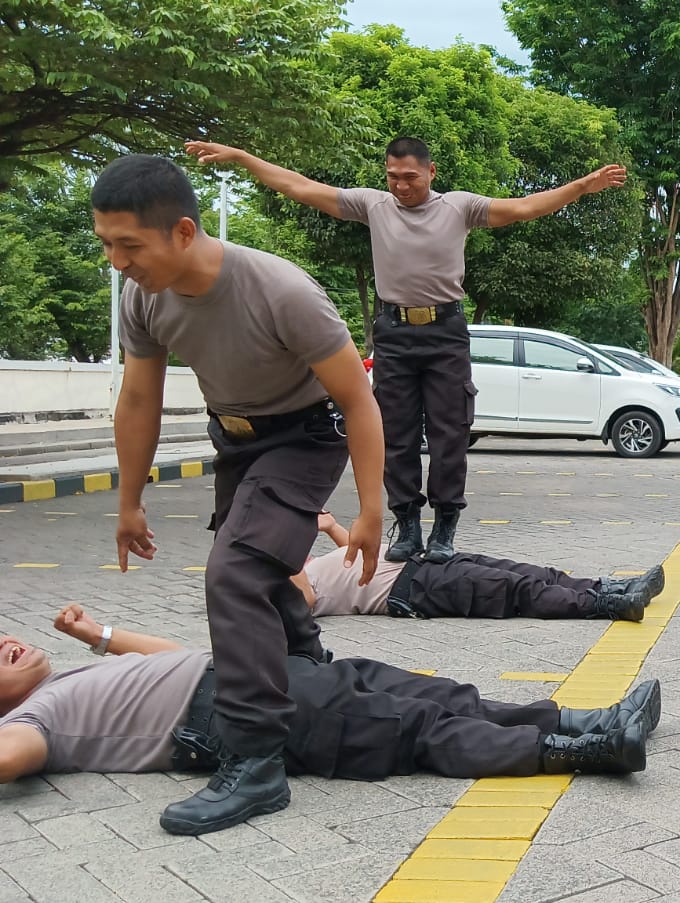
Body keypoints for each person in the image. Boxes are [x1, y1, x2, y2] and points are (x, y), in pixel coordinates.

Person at [94, 155, 387, 836]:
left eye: (129, 245)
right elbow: (139, 398)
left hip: (310, 434)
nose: (117, 262)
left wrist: (374, 507)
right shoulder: (144, 297)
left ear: (184, 232)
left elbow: (358, 398)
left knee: (233, 572)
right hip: (237, 438)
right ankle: (310, 668)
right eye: (106, 243)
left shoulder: (281, 290)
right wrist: (129, 501)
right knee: (258, 568)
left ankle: (256, 760)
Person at [185, 137, 628, 565]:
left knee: (449, 431)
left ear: (431, 172)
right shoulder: (372, 205)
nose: (401, 186)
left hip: (446, 332)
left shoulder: (459, 206)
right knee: (394, 432)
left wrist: (581, 187)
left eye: (410, 177)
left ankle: (445, 528)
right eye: (393, 177)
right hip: (393, 332)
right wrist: (242, 158)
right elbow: (302, 187)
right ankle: (408, 524)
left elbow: (523, 208)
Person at [0, 606, 659, 825]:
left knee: (442, 696)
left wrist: (104, 634)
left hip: (250, 671)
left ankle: (584, 717)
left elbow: (179, 654)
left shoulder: (72, 674)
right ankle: (591, 750)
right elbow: (10, 760)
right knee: (414, 731)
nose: (7, 643)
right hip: (229, 712)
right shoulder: (31, 720)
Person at [295, 512, 666, 622]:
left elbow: (357, 557)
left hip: (423, 561)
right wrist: (281, 556)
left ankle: (612, 586)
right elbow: (306, 600)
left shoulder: (288, 563)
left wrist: (329, 527)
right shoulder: (276, 576)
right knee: (515, 589)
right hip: (413, 589)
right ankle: (606, 607)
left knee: (530, 572)